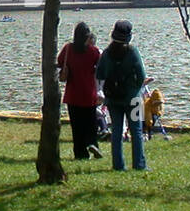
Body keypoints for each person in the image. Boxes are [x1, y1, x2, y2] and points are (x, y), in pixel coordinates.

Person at [95, 19, 147, 171]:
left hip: (113, 98)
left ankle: (118, 165)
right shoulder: (133, 52)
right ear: (129, 36)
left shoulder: (106, 53)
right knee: (136, 130)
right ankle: (139, 164)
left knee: (117, 131)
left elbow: (100, 74)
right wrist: (135, 89)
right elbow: (141, 75)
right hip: (133, 98)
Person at [58, 22, 102, 160]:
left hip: (72, 94)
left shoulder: (68, 49)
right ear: (87, 36)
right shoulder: (93, 51)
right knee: (91, 123)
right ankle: (92, 143)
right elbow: (100, 67)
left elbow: (59, 62)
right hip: (89, 93)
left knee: (76, 127)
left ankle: (80, 153)